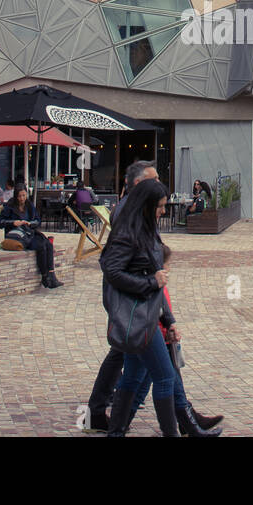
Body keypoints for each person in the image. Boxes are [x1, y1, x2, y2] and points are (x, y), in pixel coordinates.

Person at [100, 179, 183, 437]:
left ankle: (116, 432)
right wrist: (149, 281)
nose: (163, 211)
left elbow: (158, 282)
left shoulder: (148, 230)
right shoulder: (127, 234)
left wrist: (169, 320)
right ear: (146, 206)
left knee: (133, 375)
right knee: (165, 376)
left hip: (148, 313)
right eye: (159, 206)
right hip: (138, 317)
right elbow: (111, 271)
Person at [85, 159, 159, 432]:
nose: (159, 185)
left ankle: (107, 409)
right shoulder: (130, 211)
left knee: (125, 352)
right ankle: (107, 412)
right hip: (130, 293)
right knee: (132, 354)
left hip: (135, 292)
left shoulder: (133, 207)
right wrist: (149, 280)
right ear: (139, 184)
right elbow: (114, 263)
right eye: (154, 180)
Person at [123, 244, 222, 436]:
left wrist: (171, 323)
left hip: (157, 335)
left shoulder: (154, 281)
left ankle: (188, 421)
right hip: (153, 336)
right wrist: (169, 325)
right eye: (168, 265)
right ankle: (183, 425)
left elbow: (163, 307)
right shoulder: (151, 282)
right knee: (159, 379)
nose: (170, 269)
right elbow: (156, 307)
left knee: (147, 381)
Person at [0, 186, 62, 289]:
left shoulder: (29, 205)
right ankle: (44, 276)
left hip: (28, 232)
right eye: (19, 196)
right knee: (41, 246)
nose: (22, 198)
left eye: (24, 195)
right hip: (17, 235)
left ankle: (52, 275)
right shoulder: (10, 206)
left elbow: (37, 220)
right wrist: (14, 222)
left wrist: (30, 223)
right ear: (16, 196)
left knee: (48, 244)